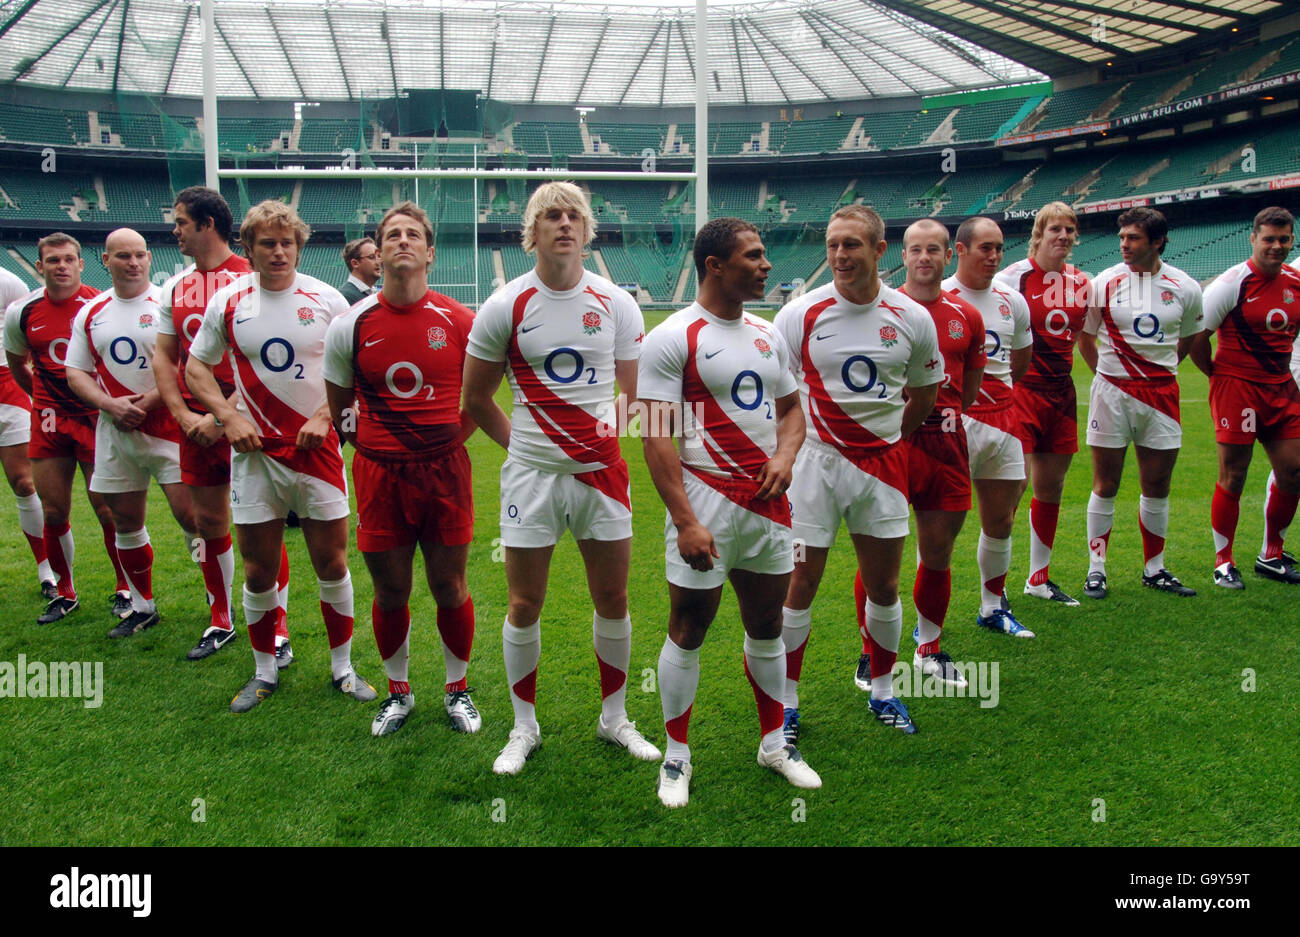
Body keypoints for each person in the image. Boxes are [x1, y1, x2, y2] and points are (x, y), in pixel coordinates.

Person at [463, 181, 659, 775]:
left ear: (587, 227)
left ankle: (615, 718)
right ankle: (524, 727)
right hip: (531, 480)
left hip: (603, 476)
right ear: (533, 232)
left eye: (574, 214)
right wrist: (526, 449)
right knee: (523, 603)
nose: (564, 224)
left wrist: (595, 443)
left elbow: (636, 396)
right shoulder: (505, 305)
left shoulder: (617, 302)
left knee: (614, 598)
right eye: (551, 215)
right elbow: (475, 398)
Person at [640, 217, 818, 808]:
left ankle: (774, 743)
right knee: (689, 627)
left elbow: (794, 411)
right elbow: (656, 437)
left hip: (769, 507)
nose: (766, 265)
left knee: (767, 625)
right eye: (754, 255)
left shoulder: (769, 334)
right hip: (705, 505)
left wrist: (787, 455)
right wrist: (686, 520)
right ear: (715, 265)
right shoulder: (672, 337)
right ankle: (676, 755)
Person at [185, 200, 376, 712]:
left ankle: (343, 669)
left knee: (331, 562)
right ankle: (264, 671)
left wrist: (323, 415)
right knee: (257, 571)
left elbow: (361, 369)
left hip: (317, 453)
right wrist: (228, 416)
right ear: (247, 248)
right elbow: (195, 369)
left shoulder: (330, 300)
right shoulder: (227, 302)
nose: (278, 251)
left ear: (299, 246)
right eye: (267, 243)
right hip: (255, 455)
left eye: (286, 242)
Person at [776, 205, 942, 739]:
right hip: (813, 468)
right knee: (800, 581)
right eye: (832, 245)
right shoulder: (799, 314)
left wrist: (887, 437)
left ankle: (884, 693)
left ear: (878, 249)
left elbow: (924, 393)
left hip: (883, 466)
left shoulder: (912, 317)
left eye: (851, 245)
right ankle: (787, 703)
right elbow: (778, 396)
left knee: (885, 585)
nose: (840, 256)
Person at [324, 202, 481, 736]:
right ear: (379, 249)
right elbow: (341, 407)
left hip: (445, 474)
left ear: (430, 253)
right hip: (380, 474)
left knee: (450, 586)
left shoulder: (461, 321)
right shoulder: (350, 324)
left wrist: (442, 446)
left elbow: (478, 401)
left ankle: (457, 690)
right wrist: (375, 448)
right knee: (389, 591)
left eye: (413, 235)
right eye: (392, 235)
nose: (402, 242)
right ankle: (399, 692)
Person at [155, 186, 293, 662]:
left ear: (206, 224)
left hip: (247, 423)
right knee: (207, 522)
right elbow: (165, 355)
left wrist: (222, 415)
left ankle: (278, 627)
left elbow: (266, 362)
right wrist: (182, 414)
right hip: (194, 424)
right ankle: (221, 619)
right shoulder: (175, 286)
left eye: (180, 222)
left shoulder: (251, 278)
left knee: (263, 522)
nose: (174, 231)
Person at [848, 218, 985, 693]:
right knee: (876, 561)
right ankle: (871, 654)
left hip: (945, 445)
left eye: (934, 249)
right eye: (915, 250)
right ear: (901, 256)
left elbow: (967, 387)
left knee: (938, 551)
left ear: (949, 256)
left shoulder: (965, 315)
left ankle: (929, 646)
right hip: (891, 446)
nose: (924, 257)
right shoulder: (881, 310)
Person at [65, 229, 198, 638]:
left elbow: (187, 367)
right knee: (124, 520)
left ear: (149, 257)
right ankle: (143, 606)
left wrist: (150, 401)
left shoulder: (167, 304)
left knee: (193, 517)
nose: (134, 262)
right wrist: (110, 405)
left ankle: (219, 605)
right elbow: (75, 371)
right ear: (106, 260)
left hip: (169, 427)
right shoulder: (91, 312)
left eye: (140, 254)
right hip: (115, 429)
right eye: (123, 256)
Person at [3, 233, 130, 624]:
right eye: (53, 260)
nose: (61, 266)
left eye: (69, 259)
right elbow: (18, 361)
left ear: (80, 263)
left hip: (94, 419)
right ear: (39, 267)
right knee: (54, 509)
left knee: (108, 510)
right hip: (49, 421)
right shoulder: (21, 311)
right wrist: (42, 399)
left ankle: (126, 590)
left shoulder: (102, 306)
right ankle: (64, 591)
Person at [1079, 207, 1202, 599]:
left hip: (1161, 395)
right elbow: (1086, 337)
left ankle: (1155, 568)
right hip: (1111, 393)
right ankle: (1096, 568)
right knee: (1106, 484)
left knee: (1157, 485)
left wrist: (1154, 372)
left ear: (1157, 241)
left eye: (1133, 239)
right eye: (1122, 239)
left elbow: (1188, 338)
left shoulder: (1184, 286)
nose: (1124, 246)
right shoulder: (1105, 282)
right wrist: (1110, 376)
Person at [1189, 206, 1300, 587]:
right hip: (1238, 389)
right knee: (1234, 475)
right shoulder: (1232, 283)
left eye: (1284, 239)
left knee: (1293, 471)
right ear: (1253, 239)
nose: (1277, 246)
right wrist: (1218, 376)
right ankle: (1224, 561)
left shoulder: (1295, 281)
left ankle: (1271, 554)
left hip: (1282, 387)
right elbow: (1197, 338)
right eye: (1269, 239)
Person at [942, 217, 1036, 635]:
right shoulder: (938, 297)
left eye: (999, 247)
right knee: (940, 527)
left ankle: (992, 605)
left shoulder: (1010, 300)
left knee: (1001, 520)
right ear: (959, 251)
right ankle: (929, 625)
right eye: (985, 248)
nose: (995, 256)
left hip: (1002, 420)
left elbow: (1020, 359)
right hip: (952, 422)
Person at [995, 202, 1090, 605]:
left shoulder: (1081, 282)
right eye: (1055, 229)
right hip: (1022, 393)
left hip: (1061, 394)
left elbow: (1082, 334)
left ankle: (1038, 577)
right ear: (1038, 233)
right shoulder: (1010, 278)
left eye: (1069, 229)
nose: (1063, 236)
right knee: (1011, 492)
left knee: (1051, 487)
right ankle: (993, 591)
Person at [0, 266, 53, 598]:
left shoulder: (8, 282)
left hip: (5, 384)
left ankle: (46, 570)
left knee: (23, 481)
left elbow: (24, 341)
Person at [339, 238, 381, 305]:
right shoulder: (345, 297)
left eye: (379, 256)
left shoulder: (373, 293)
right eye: (371, 257)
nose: (378, 262)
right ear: (355, 263)